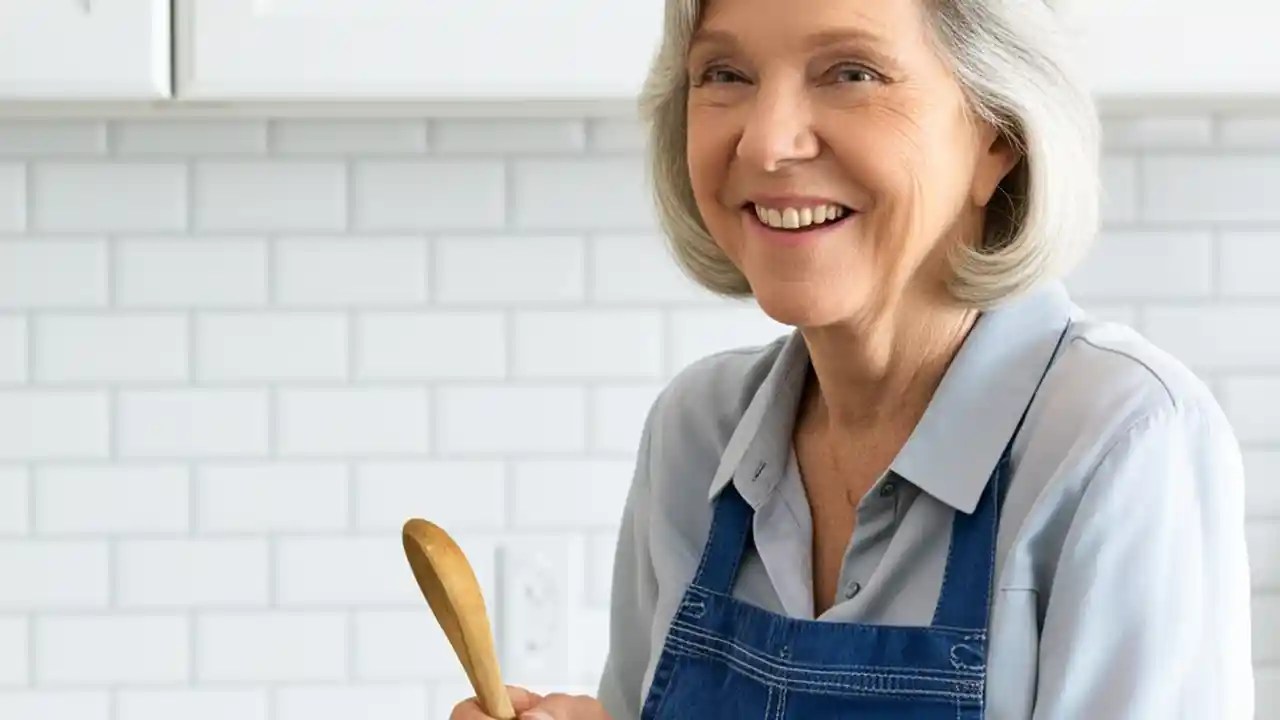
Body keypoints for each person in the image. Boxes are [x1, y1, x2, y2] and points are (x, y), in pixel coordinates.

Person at [452, 0, 1256, 716]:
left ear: (997, 139)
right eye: (724, 72)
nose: (767, 143)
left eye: (851, 73)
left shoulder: (1119, 445)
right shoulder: (695, 435)